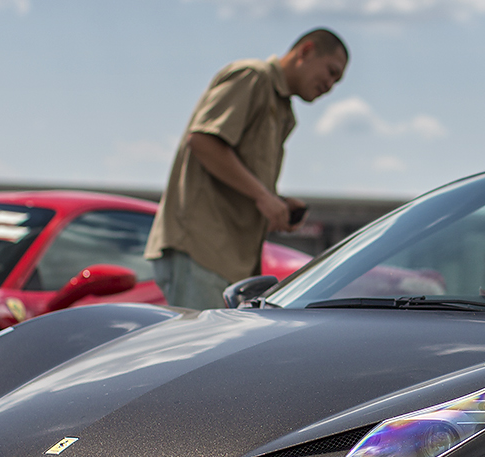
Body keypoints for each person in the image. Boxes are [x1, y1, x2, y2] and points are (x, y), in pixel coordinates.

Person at [145, 29, 348, 308]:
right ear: (306, 51)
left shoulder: (283, 109)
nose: (330, 85)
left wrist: (276, 202)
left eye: (337, 81)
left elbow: (240, 170)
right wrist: (263, 197)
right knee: (202, 350)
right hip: (202, 251)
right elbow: (203, 140)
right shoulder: (253, 76)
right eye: (331, 72)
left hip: (228, 260)